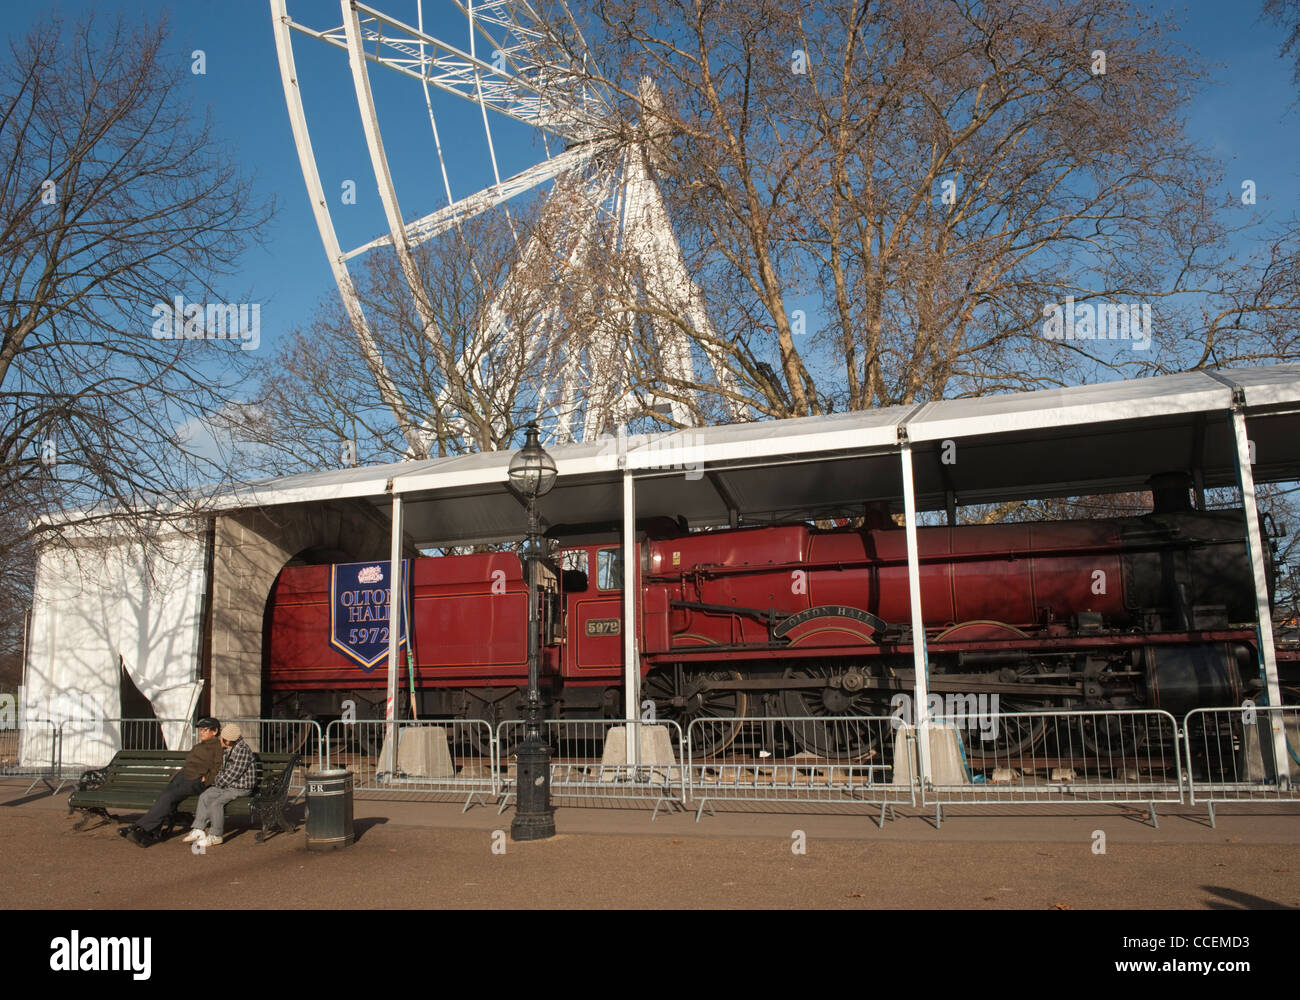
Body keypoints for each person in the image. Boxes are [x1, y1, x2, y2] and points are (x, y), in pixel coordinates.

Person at [120, 718, 223, 847]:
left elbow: (218, 768)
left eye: (205, 730)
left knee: (168, 797)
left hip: (195, 781)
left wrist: (206, 779)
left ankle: (139, 827)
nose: (201, 732)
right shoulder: (200, 745)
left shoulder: (217, 747)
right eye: (201, 730)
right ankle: (152, 831)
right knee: (164, 797)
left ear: (215, 731)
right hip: (183, 777)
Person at [187, 722, 255, 849]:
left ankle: (216, 835)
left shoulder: (243, 751)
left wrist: (216, 782)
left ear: (228, 740)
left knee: (216, 803)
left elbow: (233, 774)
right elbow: (222, 771)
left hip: (240, 787)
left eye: (222, 739)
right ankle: (199, 829)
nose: (220, 740)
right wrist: (217, 782)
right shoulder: (229, 749)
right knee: (205, 796)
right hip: (228, 785)